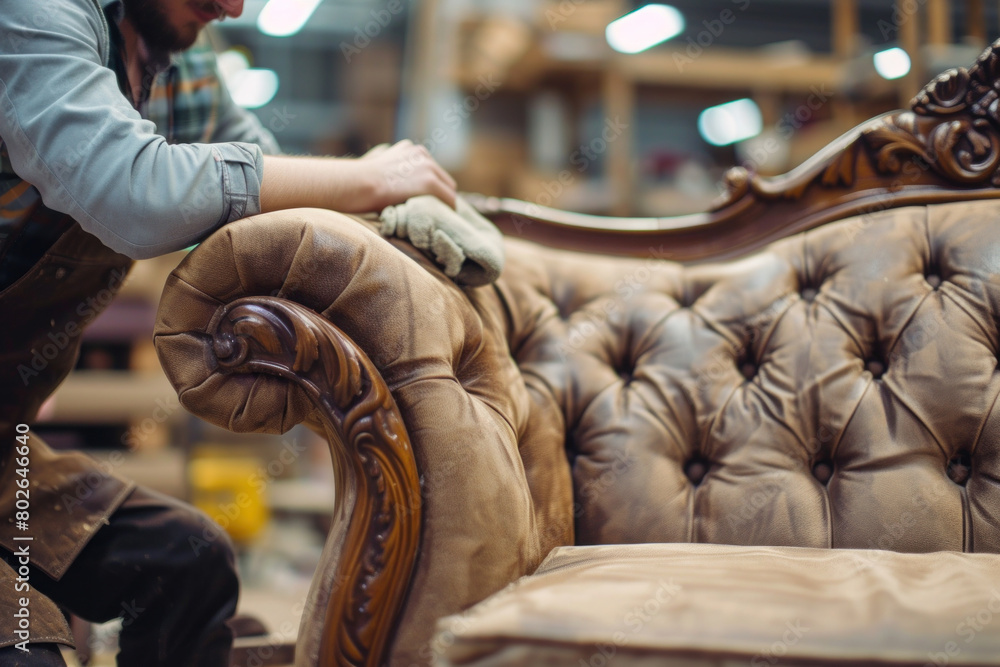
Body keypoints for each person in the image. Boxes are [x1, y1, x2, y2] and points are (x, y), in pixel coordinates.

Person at [0, 0, 457, 664]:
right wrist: (368, 176)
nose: (235, 6)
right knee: (24, 642)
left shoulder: (184, 66)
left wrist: (393, 212)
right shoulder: (36, 15)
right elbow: (132, 190)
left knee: (189, 564)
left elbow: (273, 195)